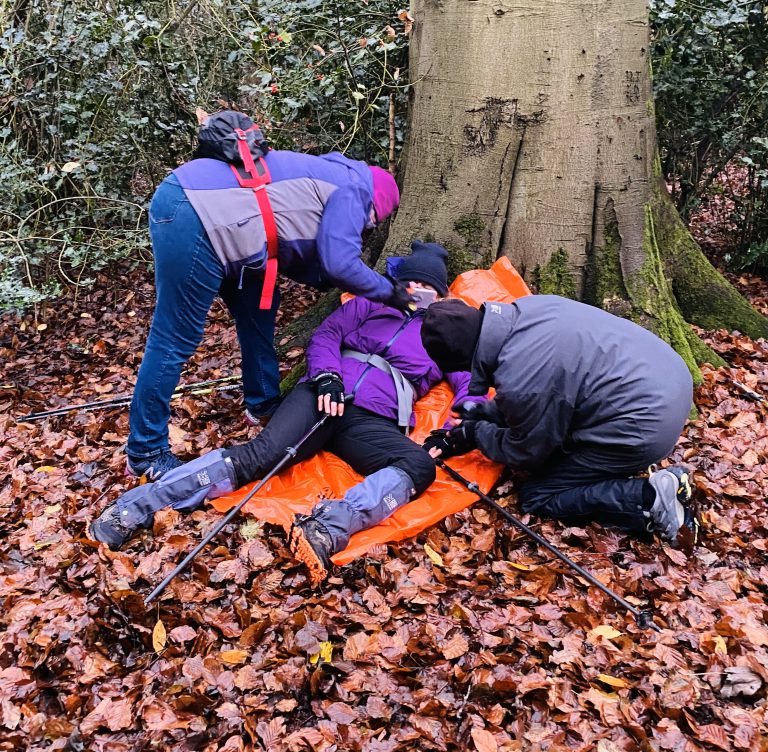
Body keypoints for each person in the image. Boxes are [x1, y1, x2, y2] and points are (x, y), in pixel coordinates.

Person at [92, 242, 481, 582]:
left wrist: (449, 432)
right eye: (411, 283)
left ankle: (327, 528)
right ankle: (136, 507)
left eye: (427, 286)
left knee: (418, 466)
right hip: (323, 394)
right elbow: (327, 335)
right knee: (262, 455)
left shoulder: (442, 326)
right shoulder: (370, 302)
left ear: (440, 293)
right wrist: (327, 376)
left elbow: (469, 383)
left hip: (373, 418)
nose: (417, 291)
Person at [126, 110, 406, 481]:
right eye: (374, 219)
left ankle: (262, 403)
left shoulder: (331, 173)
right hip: (193, 213)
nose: (369, 225)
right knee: (175, 337)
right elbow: (340, 263)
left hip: (236, 232)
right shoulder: (355, 191)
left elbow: (305, 249)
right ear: (379, 202)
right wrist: (393, 294)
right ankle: (145, 451)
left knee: (259, 313)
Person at [420, 296, 699, 547]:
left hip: (645, 424)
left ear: (465, 359)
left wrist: (476, 433)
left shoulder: (523, 378)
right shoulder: (528, 308)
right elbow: (544, 392)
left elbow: (528, 451)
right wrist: (487, 413)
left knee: (538, 496)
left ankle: (648, 497)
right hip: (668, 378)